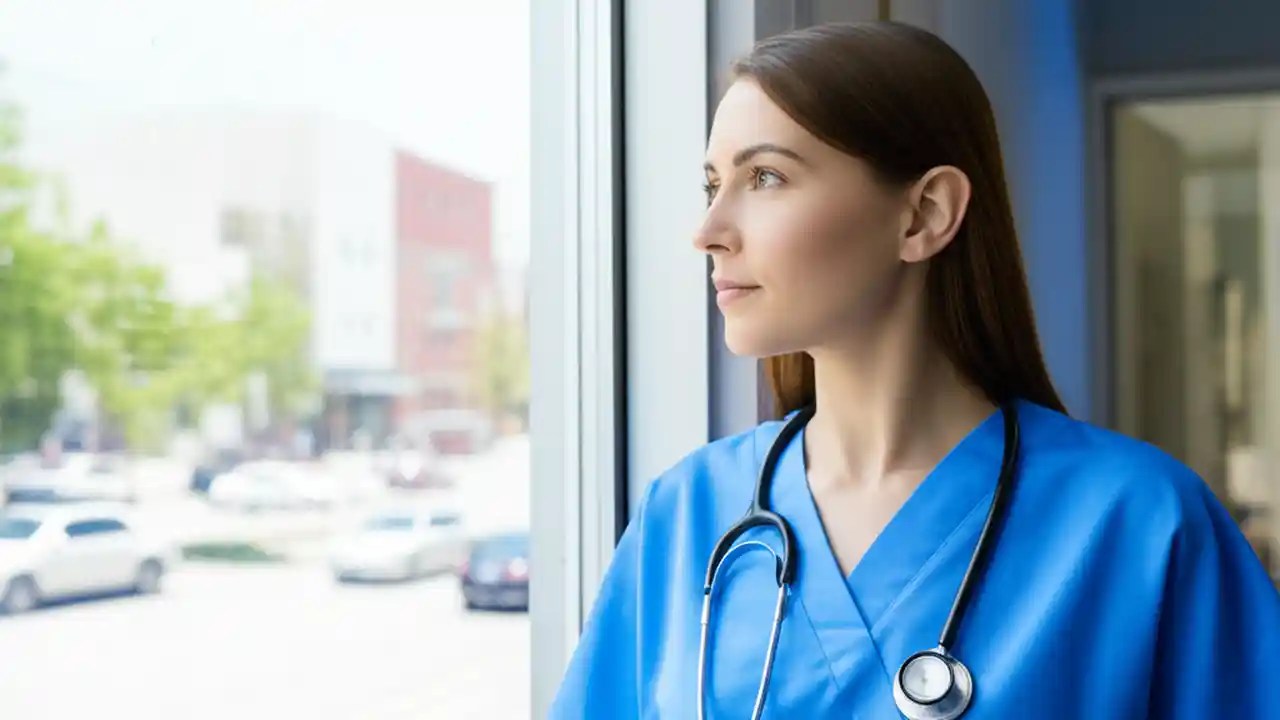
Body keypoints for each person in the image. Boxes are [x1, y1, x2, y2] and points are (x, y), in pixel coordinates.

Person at [549, 21, 1280, 719]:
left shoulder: (1141, 524)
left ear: (924, 215)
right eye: (714, 186)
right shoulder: (687, 516)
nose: (708, 231)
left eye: (765, 177)